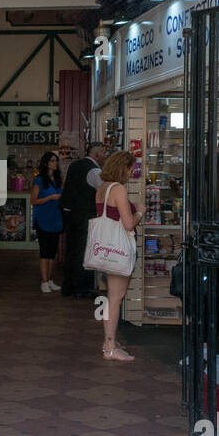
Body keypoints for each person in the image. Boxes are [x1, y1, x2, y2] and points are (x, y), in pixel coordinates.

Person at [94, 150, 142, 361]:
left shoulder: (103, 188)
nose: (133, 172)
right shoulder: (118, 189)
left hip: (107, 249)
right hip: (119, 251)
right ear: (123, 168)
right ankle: (110, 345)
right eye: (131, 168)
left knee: (112, 297)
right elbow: (128, 223)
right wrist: (140, 211)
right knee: (115, 298)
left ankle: (110, 341)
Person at [59, 141, 108, 298]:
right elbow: (104, 191)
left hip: (70, 213)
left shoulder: (75, 165)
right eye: (103, 153)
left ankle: (68, 286)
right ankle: (81, 289)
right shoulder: (94, 171)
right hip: (85, 215)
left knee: (72, 250)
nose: (105, 156)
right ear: (96, 154)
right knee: (84, 252)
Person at [30, 151, 64, 293]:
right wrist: (50, 198)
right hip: (43, 219)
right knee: (44, 251)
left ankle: (50, 279)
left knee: (52, 252)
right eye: (52, 161)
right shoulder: (39, 180)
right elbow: (34, 201)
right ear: (46, 163)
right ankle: (44, 281)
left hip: (55, 218)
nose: (55, 163)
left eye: (56, 161)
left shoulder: (57, 179)